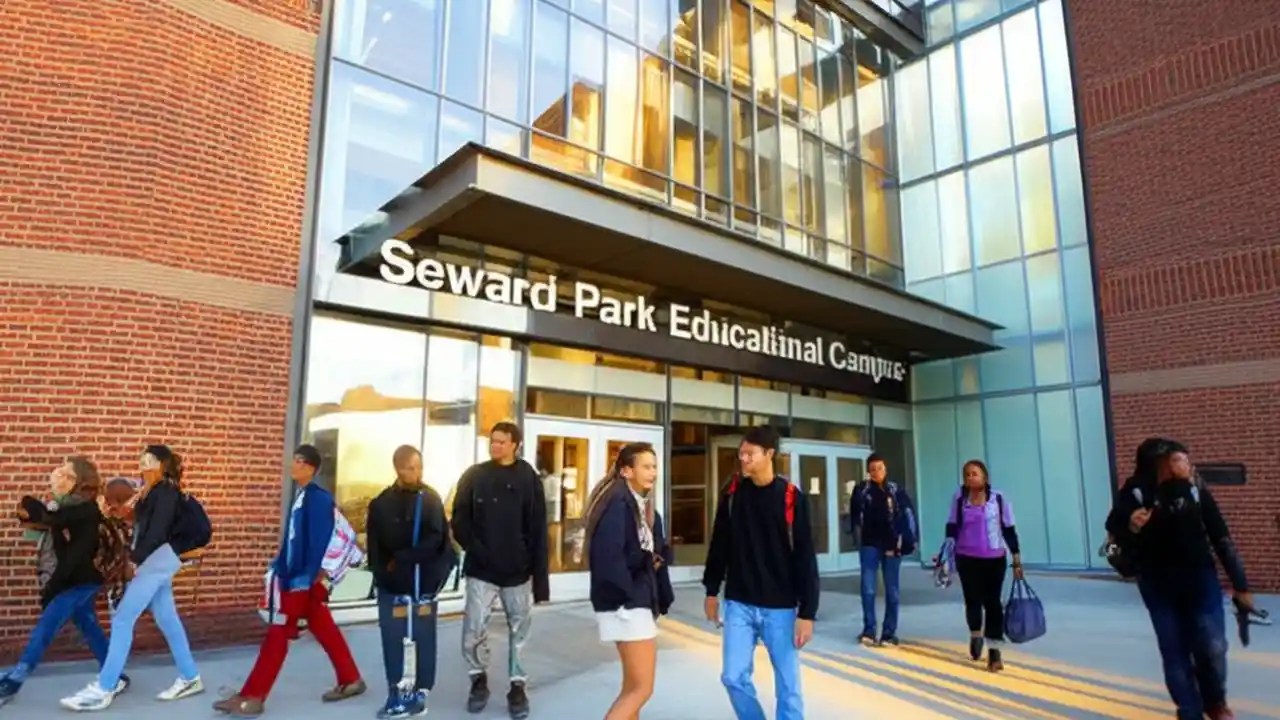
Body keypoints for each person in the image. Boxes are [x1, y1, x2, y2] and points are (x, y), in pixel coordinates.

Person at [212, 444, 366, 717]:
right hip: (297, 576)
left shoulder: (317, 499)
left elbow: (317, 541)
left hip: (301, 580)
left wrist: (302, 579)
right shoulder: (303, 495)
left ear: (308, 467)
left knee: (277, 632)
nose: (291, 465)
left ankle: (253, 695)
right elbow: (294, 540)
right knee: (323, 626)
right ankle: (350, 678)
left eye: (297, 461)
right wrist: (280, 566)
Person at [1107, 439, 1255, 720]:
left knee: (1212, 645)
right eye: (1174, 460)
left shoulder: (1194, 489)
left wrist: (1241, 584)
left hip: (1200, 578)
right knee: (1174, 650)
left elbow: (1220, 535)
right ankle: (1189, 711)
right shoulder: (1136, 492)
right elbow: (1114, 532)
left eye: (1182, 459)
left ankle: (1214, 701)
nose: (1182, 465)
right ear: (1155, 464)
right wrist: (1130, 526)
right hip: (1157, 583)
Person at [61, 444, 203, 712]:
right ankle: (190, 676)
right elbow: (142, 524)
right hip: (159, 558)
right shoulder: (149, 490)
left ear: (161, 464)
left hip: (160, 558)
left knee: (124, 617)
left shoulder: (166, 491)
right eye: (141, 460)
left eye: (148, 460)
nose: (143, 464)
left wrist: (135, 560)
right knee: (166, 617)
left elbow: (158, 531)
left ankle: (105, 686)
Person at [702, 426, 819, 720]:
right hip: (739, 602)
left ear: (769, 454)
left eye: (749, 453)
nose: (743, 459)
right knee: (732, 676)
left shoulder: (792, 497)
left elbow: (805, 557)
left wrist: (807, 612)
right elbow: (719, 544)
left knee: (788, 685)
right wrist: (711, 590)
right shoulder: (732, 494)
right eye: (741, 453)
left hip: (780, 606)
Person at [0, 457, 131, 707]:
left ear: (79, 482)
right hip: (80, 580)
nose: (59, 476)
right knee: (89, 627)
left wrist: (52, 589)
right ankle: (115, 674)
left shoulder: (85, 511)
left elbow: (71, 553)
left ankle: (14, 681)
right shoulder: (73, 509)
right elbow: (48, 519)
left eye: (66, 473)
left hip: (78, 581)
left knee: (45, 629)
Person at [452, 422, 549, 719]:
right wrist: (476, 548)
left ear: (515, 445)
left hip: (517, 573)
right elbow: (459, 518)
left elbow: (537, 528)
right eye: (492, 441)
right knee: (473, 629)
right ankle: (478, 678)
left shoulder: (528, 479)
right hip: (481, 570)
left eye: (501, 442)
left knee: (520, 631)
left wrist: (539, 579)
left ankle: (517, 685)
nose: (495, 446)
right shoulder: (475, 475)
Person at [366, 445, 458, 719]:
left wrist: (407, 559)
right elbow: (375, 548)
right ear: (398, 468)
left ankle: (421, 692)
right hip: (393, 586)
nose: (416, 473)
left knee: (424, 638)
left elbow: (438, 539)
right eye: (410, 468)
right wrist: (384, 576)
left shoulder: (429, 499)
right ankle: (396, 691)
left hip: (423, 583)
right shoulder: (381, 503)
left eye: (419, 467)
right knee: (393, 639)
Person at [584, 442, 675, 720]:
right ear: (626, 470)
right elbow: (610, 557)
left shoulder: (640, 506)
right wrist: (629, 590)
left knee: (632, 687)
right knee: (641, 688)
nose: (653, 472)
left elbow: (647, 552)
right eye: (646, 466)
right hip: (627, 603)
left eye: (655, 466)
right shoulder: (618, 505)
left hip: (633, 600)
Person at [941, 459, 1022, 672]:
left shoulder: (998, 499)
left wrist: (1016, 557)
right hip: (967, 557)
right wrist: (947, 550)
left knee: (993, 603)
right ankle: (975, 634)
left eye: (974, 473)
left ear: (984, 476)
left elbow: (1009, 528)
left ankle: (994, 651)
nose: (970, 478)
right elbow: (951, 525)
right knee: (972, 599)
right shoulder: (959, 499)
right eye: (967, 474)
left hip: (994, 557)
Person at [849, 453, 917, 646]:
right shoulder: (862, 490)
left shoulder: (895, 490)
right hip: (870, 544)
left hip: (892, 546)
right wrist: (858, 540)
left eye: (879, 468)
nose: (876, 472)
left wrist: (903, 544)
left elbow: (906, 517)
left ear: (885, 469)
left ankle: (889, 632)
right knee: (868, 589)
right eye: (872, 469)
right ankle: (869, 629)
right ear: (867, 471)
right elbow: (855, 517)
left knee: (892, 590)